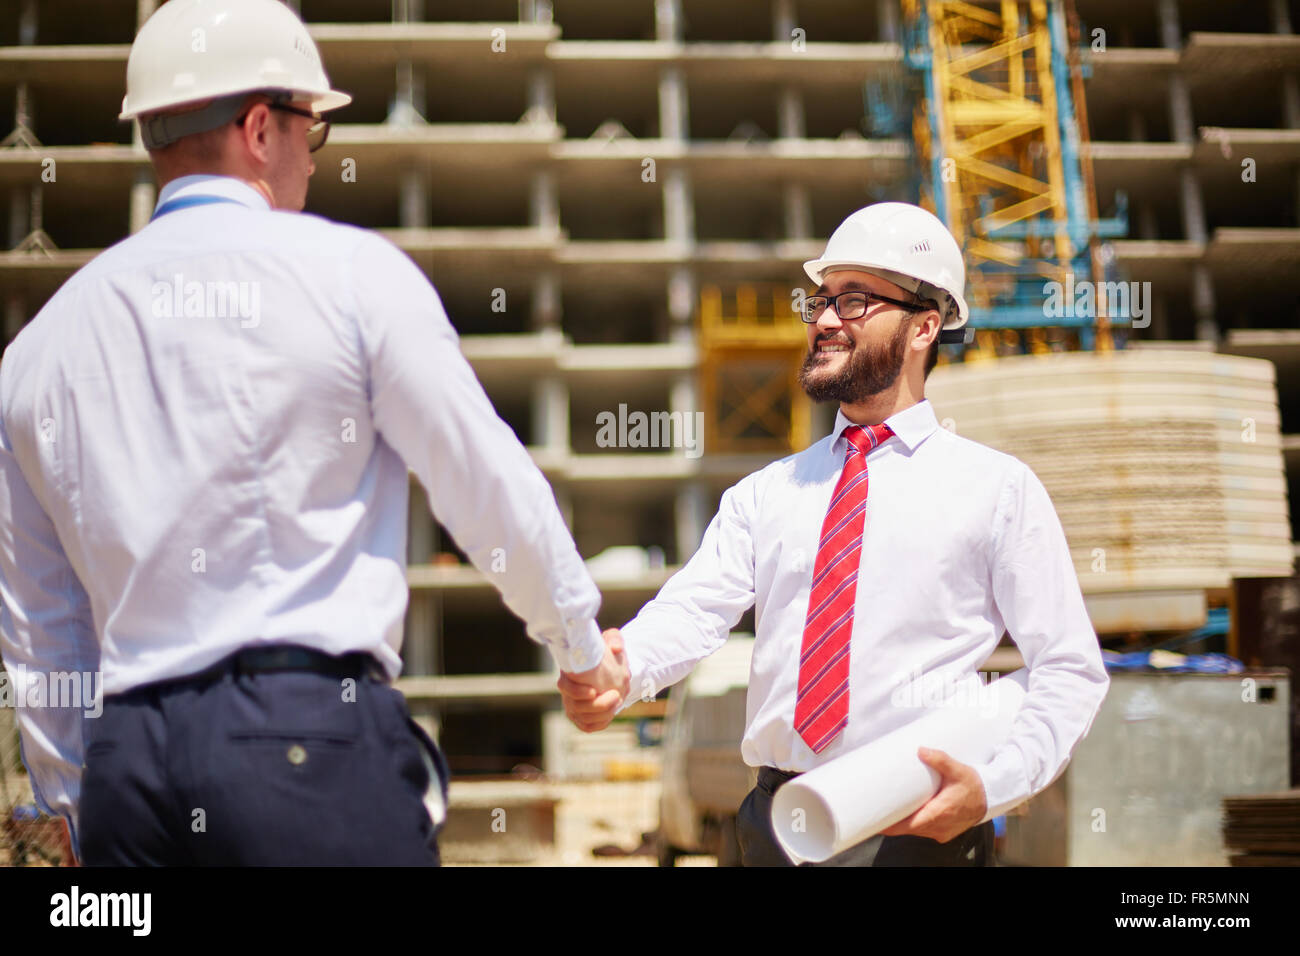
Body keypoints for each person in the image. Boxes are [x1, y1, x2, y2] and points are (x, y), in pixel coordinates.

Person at [0, 0, 625, 866]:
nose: (312, 160)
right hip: (304, 744)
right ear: (261, 127)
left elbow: (41, 620)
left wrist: (72, 800)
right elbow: (484, 482)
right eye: (312, 132)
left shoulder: (39, 350)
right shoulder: (350, 275)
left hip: (127, 769)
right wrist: (580, 646)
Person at [559, 202, 1110, 866]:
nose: (822, 320)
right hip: (774, 829)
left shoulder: (997, 490)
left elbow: (1069, 668)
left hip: (915, 833)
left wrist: (992, 788)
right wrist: (625, 667)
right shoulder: (766, 493)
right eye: (820, 300)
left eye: (853, 302)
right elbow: (693, 610)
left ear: (924, 326)